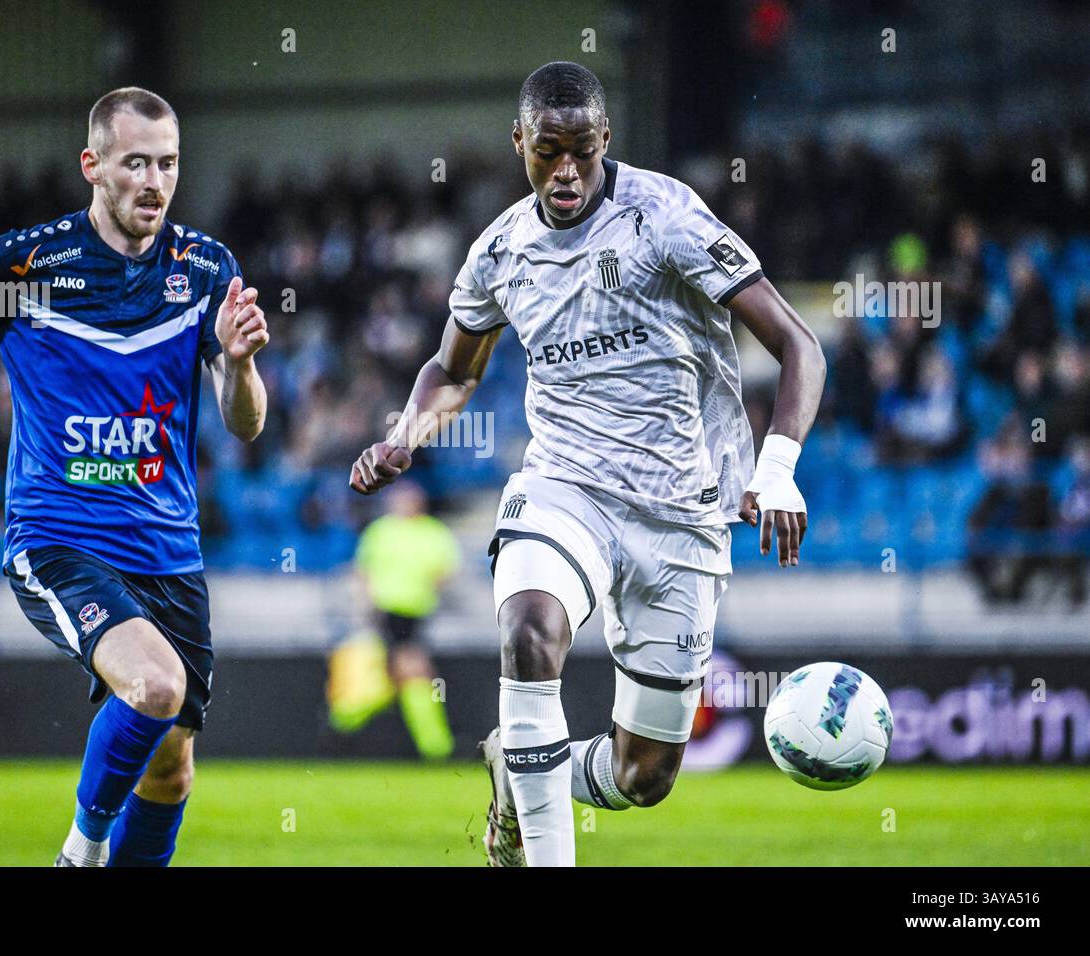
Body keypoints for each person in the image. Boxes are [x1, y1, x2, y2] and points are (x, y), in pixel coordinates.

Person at [349, 62, 825, 866]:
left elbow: (797, 343)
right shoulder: (499, 251)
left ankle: (519, 766)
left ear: (606, 139)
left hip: (682, 511)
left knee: (644, 775)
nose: (564, 170)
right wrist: (407, 433)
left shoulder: (664, 215)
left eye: (580, 150)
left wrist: (776, 469)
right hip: (564, 489)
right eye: (546, 151)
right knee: (529, 634)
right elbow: (454, 369)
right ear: (519, 144)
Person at [0, 87, 269, 866]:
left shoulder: (205, 269)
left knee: (170, 769)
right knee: (157, 690)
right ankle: (81, 850)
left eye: (167, 164)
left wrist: (238, 365)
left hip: (170, 551)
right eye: (136, 163)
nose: (154, 182)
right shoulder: (28, 266)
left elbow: (245, 422)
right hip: (60, 537)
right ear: (92, 166)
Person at [331, 480, 459, 759]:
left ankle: (344, 719)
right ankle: (436, 746)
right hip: (388, 612)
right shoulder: (381, 531)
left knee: (398, 675)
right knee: (414, 671)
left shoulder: (432, 533)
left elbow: (445, 573)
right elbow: (363, 572)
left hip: (416, 612)